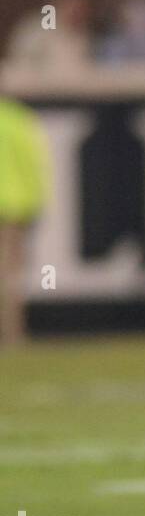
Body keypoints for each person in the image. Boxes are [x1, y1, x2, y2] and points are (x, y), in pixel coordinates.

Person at [0, 99, 49, 347]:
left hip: (11, 206)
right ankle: (12, 335)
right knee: (9, 275)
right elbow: (32, 163)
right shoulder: (17, 118)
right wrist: (37, 202)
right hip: (13, 206)